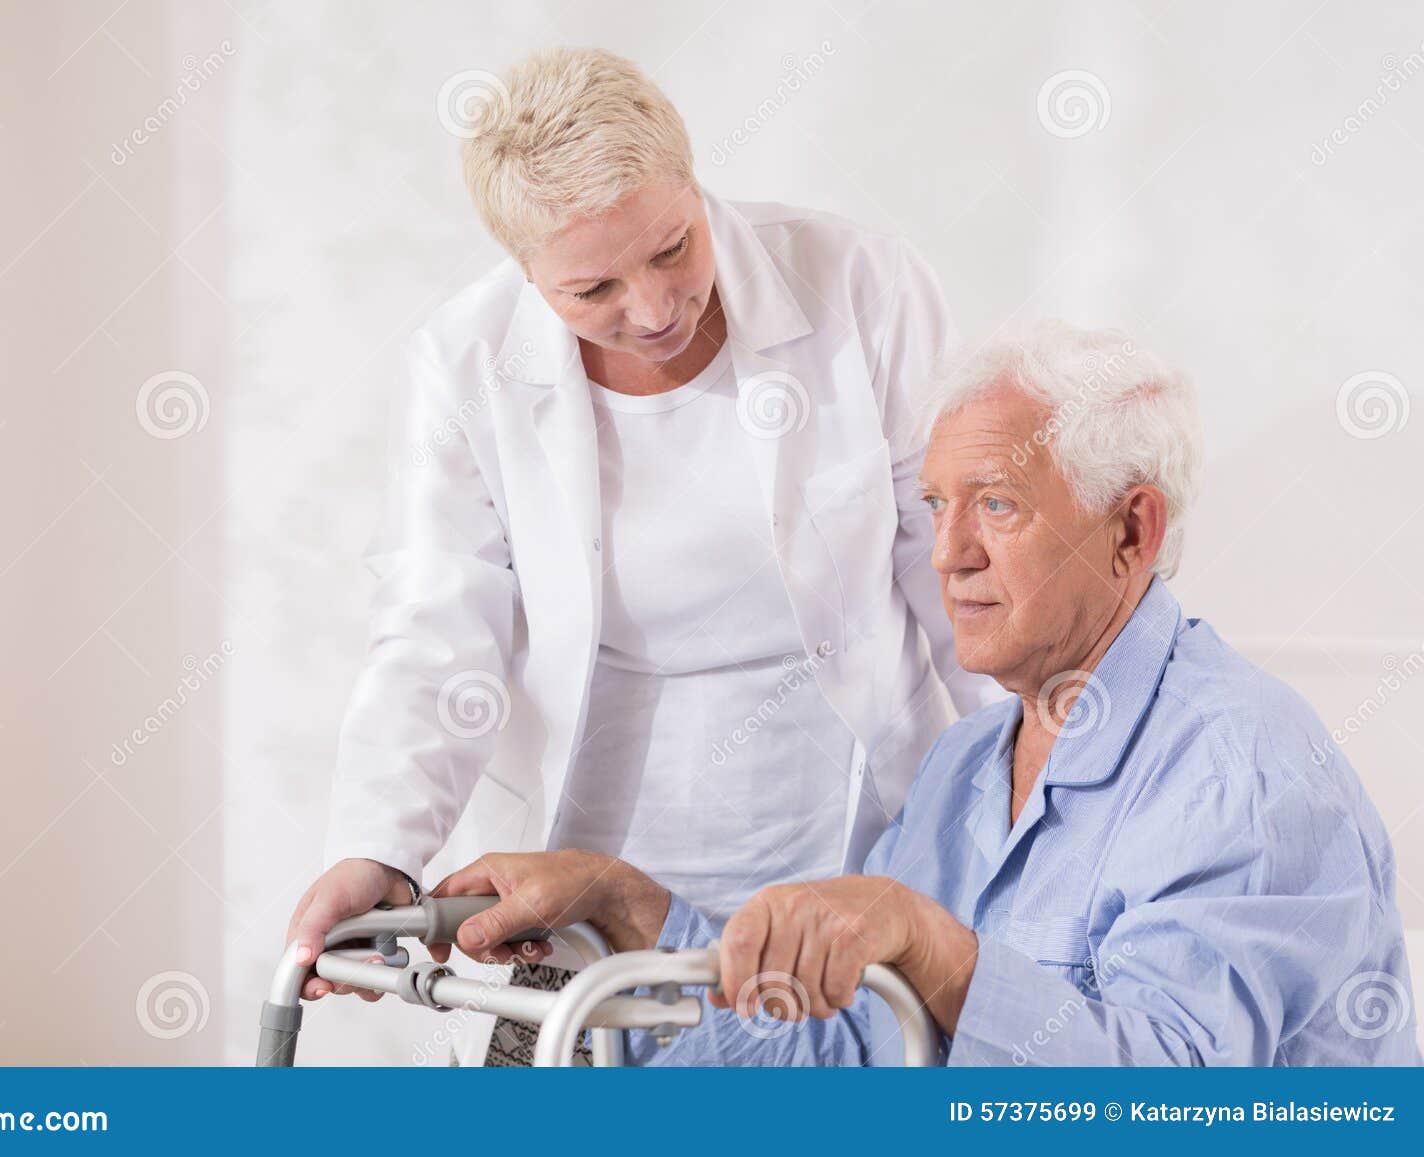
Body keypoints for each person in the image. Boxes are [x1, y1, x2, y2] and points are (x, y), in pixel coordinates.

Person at [434, 321, 1421, 1065]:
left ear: (1132, 530)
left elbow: (1172, 1106)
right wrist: (623, 907)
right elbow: (850, 1052)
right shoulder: (966, 763)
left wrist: (935, 950)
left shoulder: (1237, 768)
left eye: (997, 503)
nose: (949, 554)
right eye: (938, 505)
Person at [284, 46, 999, 1063]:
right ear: (528, 274)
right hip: (586, 902)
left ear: (694, 181)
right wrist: (377, 849)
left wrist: (1038, 825)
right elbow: (436, 633)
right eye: (593, 288)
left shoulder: (860, 286)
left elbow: (965, 578)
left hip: (848, 867)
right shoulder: (466, 362)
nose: (656, 308)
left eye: (673, 248)